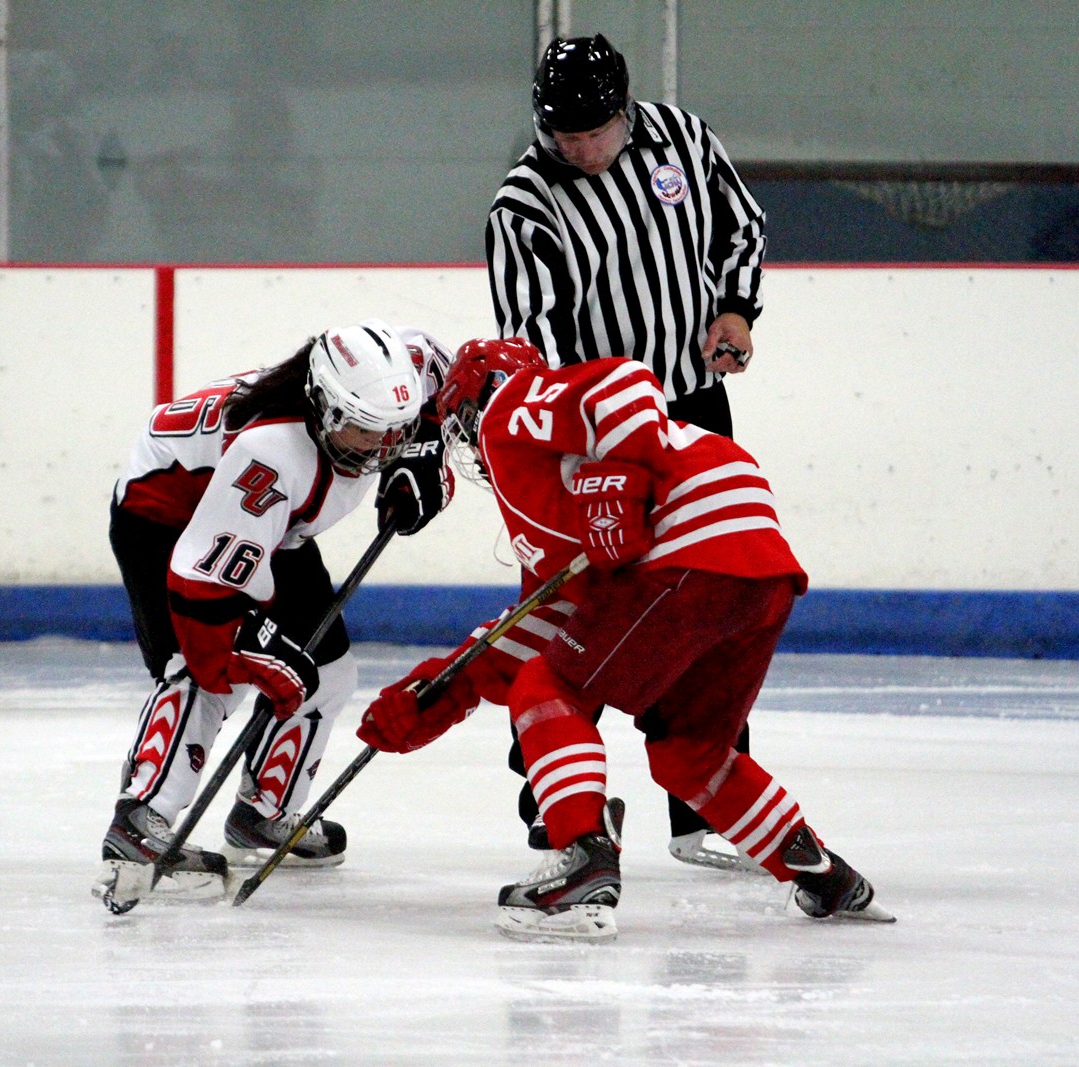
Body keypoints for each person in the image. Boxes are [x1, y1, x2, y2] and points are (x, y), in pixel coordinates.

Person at [357, 338, 893, 940]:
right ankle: (820, 872)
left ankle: (583, 857)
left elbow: (626, 382)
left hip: (689, 544)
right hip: (757, 567)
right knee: (689, 753)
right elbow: (545, 617)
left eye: (459, 421)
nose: (466, 444)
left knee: (548, 687)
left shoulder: (509, 409)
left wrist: (625, 481)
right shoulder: (555, 480)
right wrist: (447, 686)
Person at [485, 34, 767, 868]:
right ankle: (552, 800)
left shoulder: (682, 138)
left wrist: (736, 310)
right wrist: (588, 449)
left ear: (626, 109)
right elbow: (534, 348)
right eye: (562, 133)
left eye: (593, 131)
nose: (578, 147)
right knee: (579, 607)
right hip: (594, 438)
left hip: (693, 411)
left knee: (707, 595)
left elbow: (740, 226)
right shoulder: (524, 205)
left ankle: (703, 801)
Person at [95, 321, 453, 905]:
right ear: (324, 407)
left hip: (269, 523)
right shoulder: (274, 454)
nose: (379, 449)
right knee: (200, 670)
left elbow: (450, 375)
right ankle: (143, 820)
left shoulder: (398, 373)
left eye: (394, 431)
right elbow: (202, 586)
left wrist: (423, 448)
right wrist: (242, 651)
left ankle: (264, 812)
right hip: (166, 518)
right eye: (366, 431)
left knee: (328, 670)